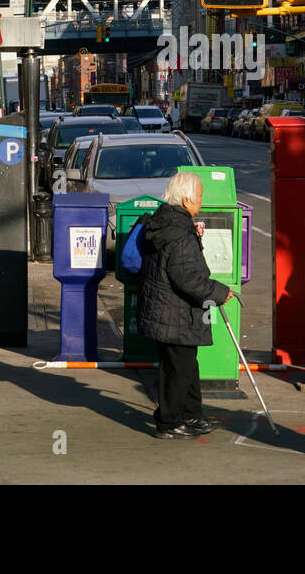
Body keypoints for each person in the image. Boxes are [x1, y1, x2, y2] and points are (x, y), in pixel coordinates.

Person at [136, 172, 234, 439]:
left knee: (186, 366)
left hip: (167, 309)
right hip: (175, 311)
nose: (202, 200)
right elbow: (187, 277)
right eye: (200, 195)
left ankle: (191, 414)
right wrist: (220, 292)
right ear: (187, 198)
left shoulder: (165, 221)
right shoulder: (179, 232)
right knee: (177, 369)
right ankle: (168, 422)